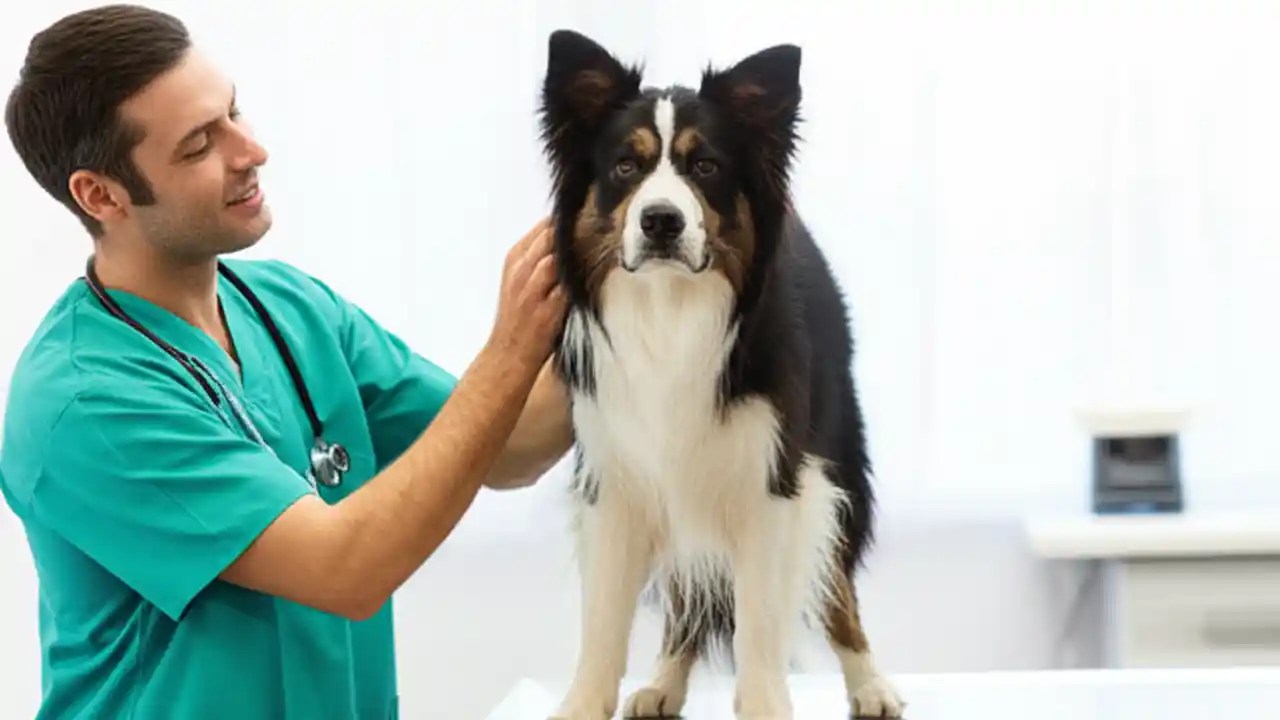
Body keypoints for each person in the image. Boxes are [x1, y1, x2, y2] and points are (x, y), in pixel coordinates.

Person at [0, 4, 572, 719]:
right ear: (101, 194)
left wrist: (649, 308)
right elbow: (348, 568)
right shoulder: (84, 402)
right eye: (200, 144)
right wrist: (513, 345)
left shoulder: (290, 307)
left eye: (234, 113)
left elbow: (509, 448)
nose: (252, 151)